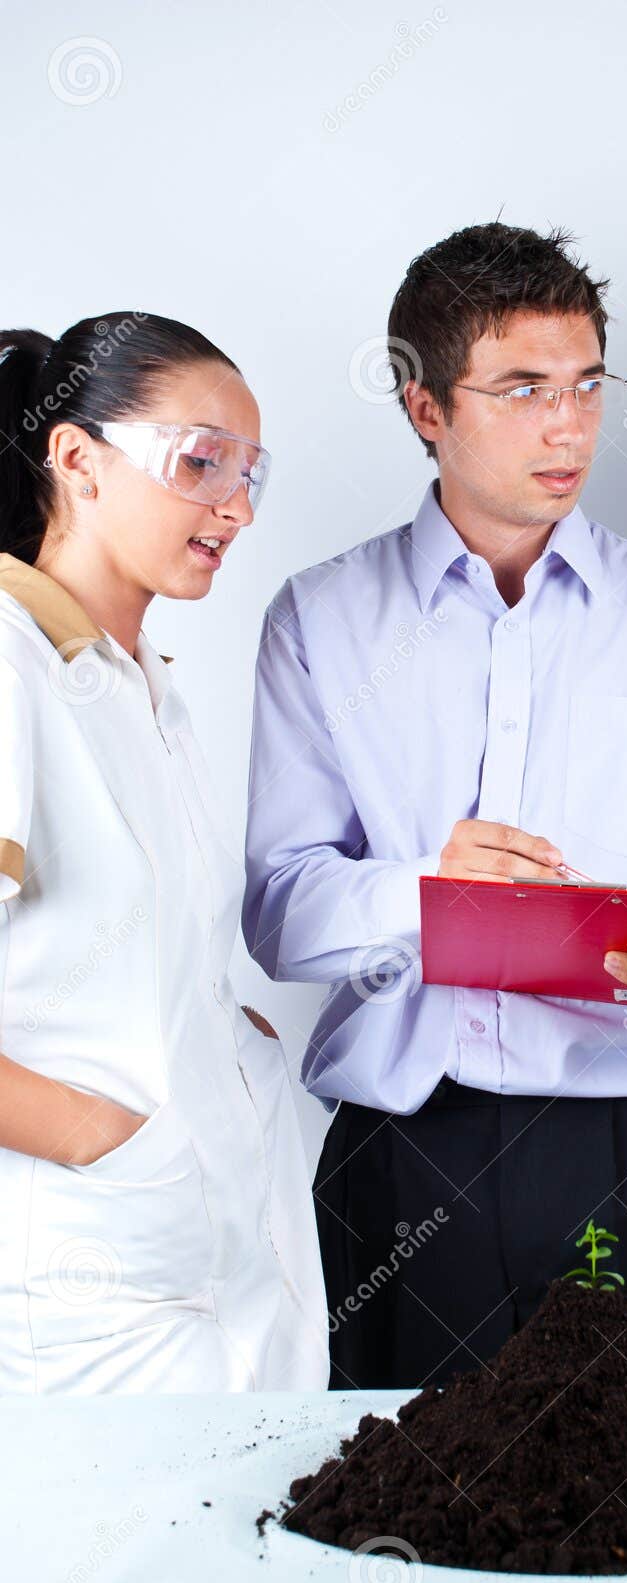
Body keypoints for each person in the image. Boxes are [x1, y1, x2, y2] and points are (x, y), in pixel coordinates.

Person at [243, 222, 627, 1390]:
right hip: (404, 1150)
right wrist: (427, 891)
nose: (570, 426)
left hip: (625, 1144)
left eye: (589, 384)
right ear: (424, 408)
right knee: (393, 1513)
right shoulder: (320, 618)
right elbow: (279, 910)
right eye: (523, 389)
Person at [0, 315, 328, 1394]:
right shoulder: (10, 663)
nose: (234, 508)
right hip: (95, 1276)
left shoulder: (140, 679)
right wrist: (116, 1142)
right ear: (78, 459)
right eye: (199, 462)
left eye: (250, 474)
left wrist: (223, 1036)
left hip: (215, 1258)